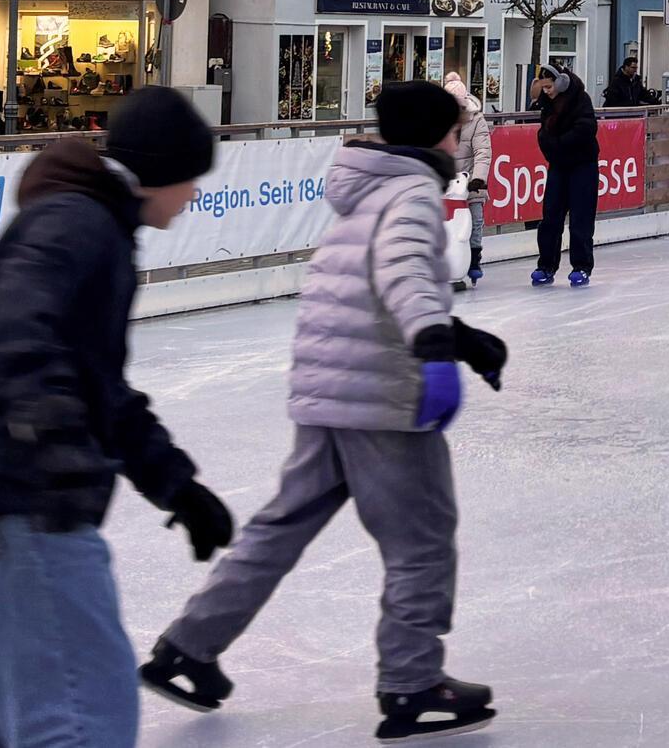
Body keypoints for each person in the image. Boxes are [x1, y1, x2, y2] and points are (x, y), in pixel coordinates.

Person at [143, 82, 506, 740]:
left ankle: (186, 649)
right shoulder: (413, 191)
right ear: (435, 137)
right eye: (454, 131)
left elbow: (369, 284)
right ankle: (412, 683)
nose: (458, 143)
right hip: (378, 400)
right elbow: (402, 272)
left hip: (327, 390)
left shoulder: (363, 190)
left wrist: (459, 337)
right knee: (421, 542)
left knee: (280, 528)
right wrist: (433, 345)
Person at [0, 88, 231, 748]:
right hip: (20, 501)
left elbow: (103, 390)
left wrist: (178, 485)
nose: (193, 197)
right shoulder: (76, 224)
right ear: (162, 172)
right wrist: (50, 440)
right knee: (84, 718)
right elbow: (17, 326)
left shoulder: (92, 226)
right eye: (191, 180)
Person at [533, 64, 600, 282]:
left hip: (583, 165)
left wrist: (560, 143)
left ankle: (581, 266)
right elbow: (543, 134)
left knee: (581, 217)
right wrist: (550, 147)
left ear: (561, 83)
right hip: (559, 166)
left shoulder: (581, 99)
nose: (547, 91)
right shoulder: (547, 106)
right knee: (550, 217)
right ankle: (546, 265)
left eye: (550, 86)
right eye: (543, 88)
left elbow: (586, 129)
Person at [444, 73, 489, 285]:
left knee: (475, 219)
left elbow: (482, 152)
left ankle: (474, 260)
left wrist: (478, 179)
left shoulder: (476, 120)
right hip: (446, 184)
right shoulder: (439, 119)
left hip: (469, 179)